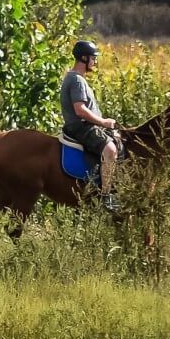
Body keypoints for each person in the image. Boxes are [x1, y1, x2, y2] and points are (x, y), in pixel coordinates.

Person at [60, 39, 120, 211]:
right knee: (111, 150)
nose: (95, 62)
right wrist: (104, 122)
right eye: (93, 58)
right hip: (81, 126)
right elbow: (80, 110)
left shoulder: (75, 78)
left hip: (85, 126)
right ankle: (106, 196)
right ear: (85, 58)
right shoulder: (77, 80)